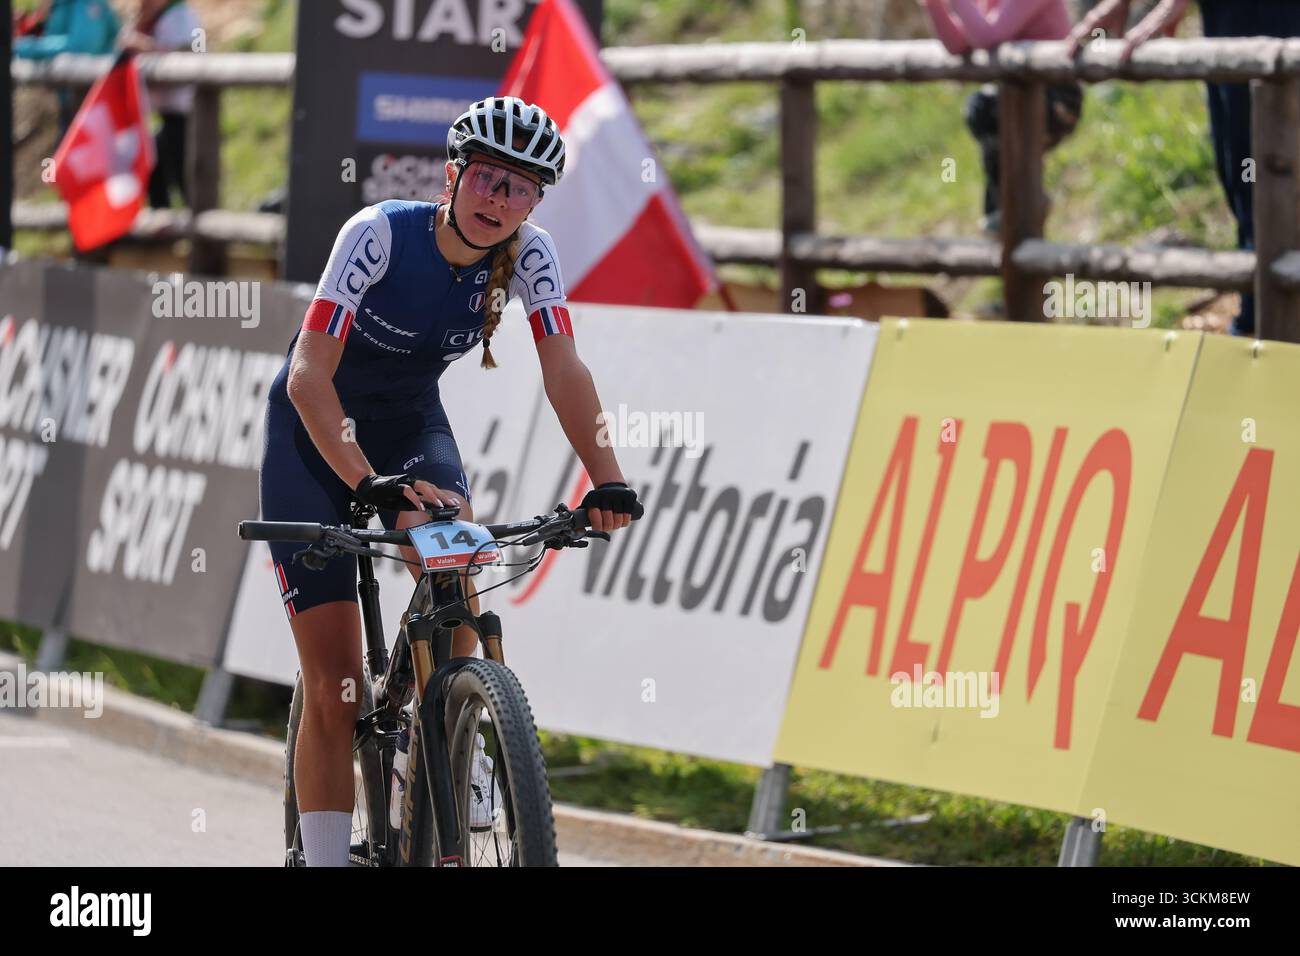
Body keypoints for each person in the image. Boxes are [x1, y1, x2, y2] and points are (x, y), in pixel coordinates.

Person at [259, 96, 645, 867]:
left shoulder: (530, 253)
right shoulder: (377, 234)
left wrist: (606, 480)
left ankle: (467, 731)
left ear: (537, 200)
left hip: (409, 424)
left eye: (520, 187)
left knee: (458, 566)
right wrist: (366, 480)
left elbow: (563, 367)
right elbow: (308, 376)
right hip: (315, 433)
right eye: (488, 179)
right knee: (337, 685)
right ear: (454, 173)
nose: (500, 200)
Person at [1068, 0, 1300, 338]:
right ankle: (1260, 318)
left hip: (1266, 15)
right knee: (1239, 172)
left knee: (1266, 166)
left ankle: (1269, 325)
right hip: (1228, 16)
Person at [920, 0, 1084, 233]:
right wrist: (934, 5)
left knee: (985, 111)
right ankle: (1013, 208)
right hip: (1014, 96)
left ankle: (1015, 207)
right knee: (985, 111)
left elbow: (988, 36)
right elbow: (959, 44)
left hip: (1057, 101)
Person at [117, 0, 203, 209]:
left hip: (185, 113)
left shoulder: (180, 15)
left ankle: (200, 228)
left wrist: (146, 47)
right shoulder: (155, 17)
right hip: (166, 113)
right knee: (155, 168)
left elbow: (191, 55)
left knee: (187, 176)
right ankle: (164, 224)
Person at [13, 0, 120, 137]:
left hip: (94, 104)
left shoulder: (87, 3)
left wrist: (27, 48)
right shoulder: (62, 5)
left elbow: (82, 46)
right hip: (71, 102)